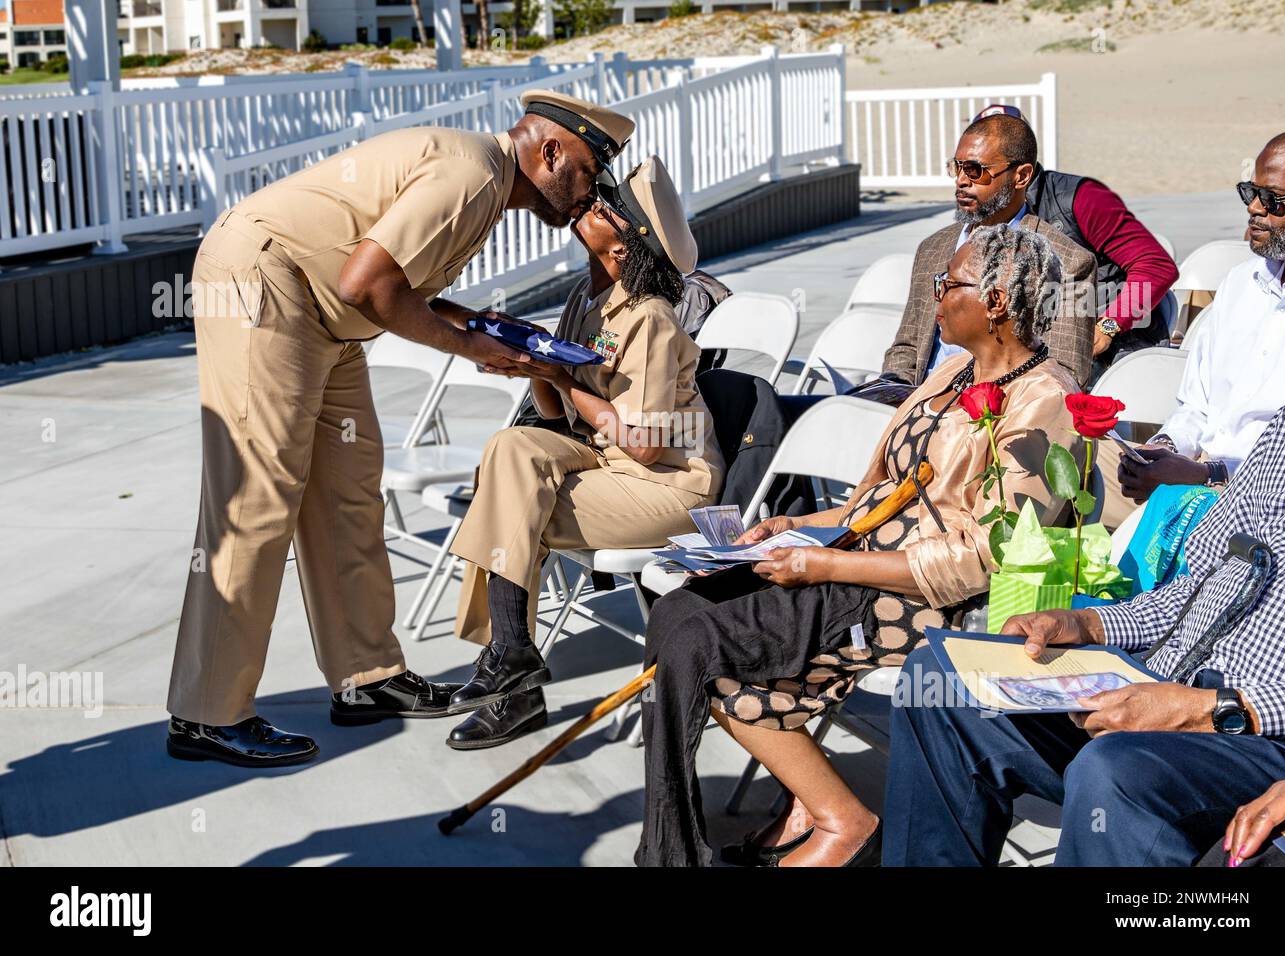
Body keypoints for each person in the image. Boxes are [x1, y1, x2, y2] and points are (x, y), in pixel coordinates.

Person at [166, 92, 636, 767]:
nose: (589, 195)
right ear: (553, 151)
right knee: (257, 498)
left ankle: (366, 679)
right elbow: (369, 283)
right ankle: (206, 714)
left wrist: (488, 330)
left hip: (324, 312)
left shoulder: (484, 181)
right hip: (267, 285)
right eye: (591, 172)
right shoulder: (472, 174)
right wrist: (471, 348)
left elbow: (398, 287)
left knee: (349, 494)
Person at [636, 225, 1083, 867]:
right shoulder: (951, 375)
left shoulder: (1046, 400)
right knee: (685, 608)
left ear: (998, 301)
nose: (933, 296)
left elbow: (987, 555)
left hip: (922, 597)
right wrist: (796, 529)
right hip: (850, 564)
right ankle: (835, 817)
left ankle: (735, 842)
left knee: (700, 641)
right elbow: (869, 502)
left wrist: (823, 562)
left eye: (947, 284)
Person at [883, 388, 1285, 868]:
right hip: (1166, 684)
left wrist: (1210, 709)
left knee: (1115, 773)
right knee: (940, 681)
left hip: (1266, 732)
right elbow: (1200, 585)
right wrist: (1086, 623)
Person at [442, 156, 725, 750]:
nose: (592, 206)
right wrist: (529, 363)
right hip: (608, 464)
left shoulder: (648, 319)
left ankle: (511, 677)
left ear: (624, 250)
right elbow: (553, 418)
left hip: (668, 486)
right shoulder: (587, 303)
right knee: (509, 451)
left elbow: (647, 445)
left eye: (608, 210)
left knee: (511, 506)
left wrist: (561, 375)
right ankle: (512, 655)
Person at [1099, 130, 1285, 528]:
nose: (1255, 209)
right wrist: (1163, 449)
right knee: (1065, 463)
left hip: (1266, 502)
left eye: (1273, 200)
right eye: (1250, 192)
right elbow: (1196, 406)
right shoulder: (1241, 283)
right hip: (1196, 474)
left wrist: (1208, 477)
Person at [880, 113, 1096, 390]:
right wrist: (892, 392)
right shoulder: (933, 249)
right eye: (956, 168)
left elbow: (1064, 375)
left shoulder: (1068, 263)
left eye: (975, 170)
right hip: (919, 403)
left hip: (999, 416)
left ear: (1021, 176)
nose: (961, 181)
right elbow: (908, 346)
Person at [974, 104, 1179, 367]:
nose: (972, 177)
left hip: (1110, 346)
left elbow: (1156, 267)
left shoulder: (1079, 197)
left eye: (984, 166)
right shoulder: (979, 211)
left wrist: (1108, 326)